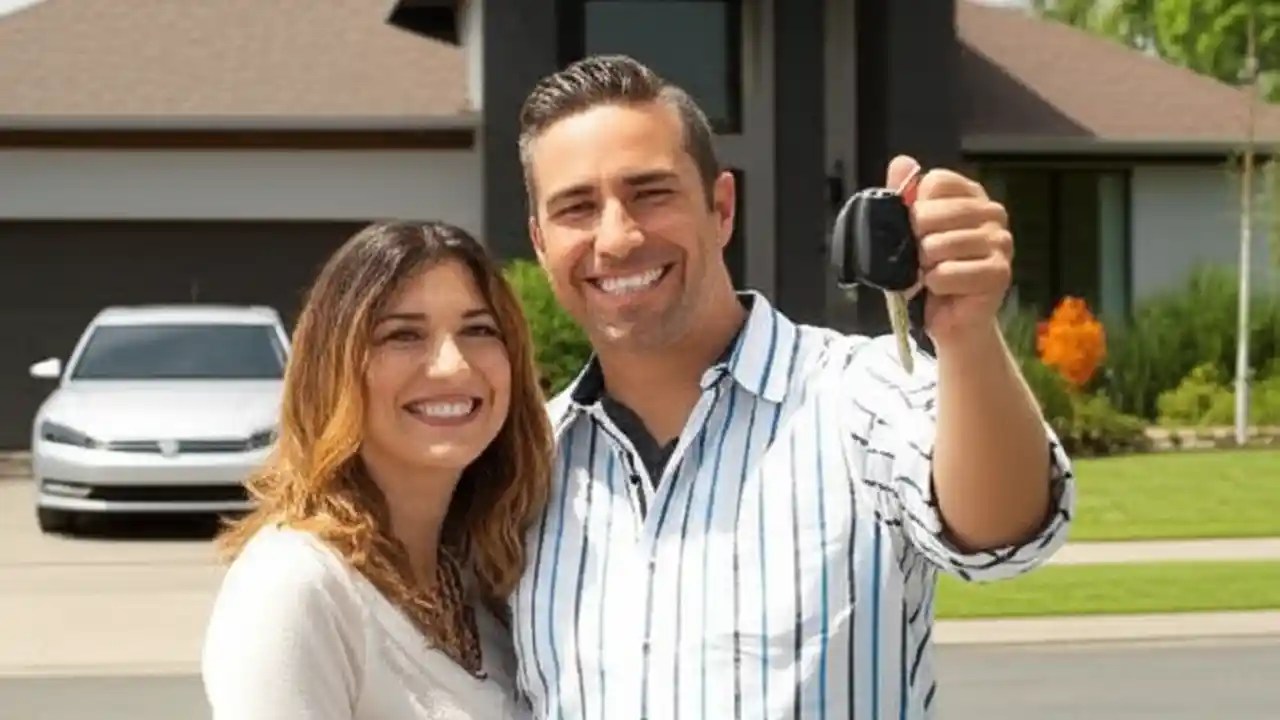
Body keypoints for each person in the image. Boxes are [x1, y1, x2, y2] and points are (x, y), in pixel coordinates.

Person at [508, 55, 1076, 719]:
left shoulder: (861, 395)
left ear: (721, 207)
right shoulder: (520, 469)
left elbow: (1004, 536)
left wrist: (968, 332)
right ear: (540, 242)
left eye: (651, 194)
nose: (618, 236)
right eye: (577, 208)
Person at [201, 221, 551, 719]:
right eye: (403, 335)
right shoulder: (296, 586)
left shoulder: (482, 576)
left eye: (478, 330)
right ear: (333, 369)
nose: (453, 366)